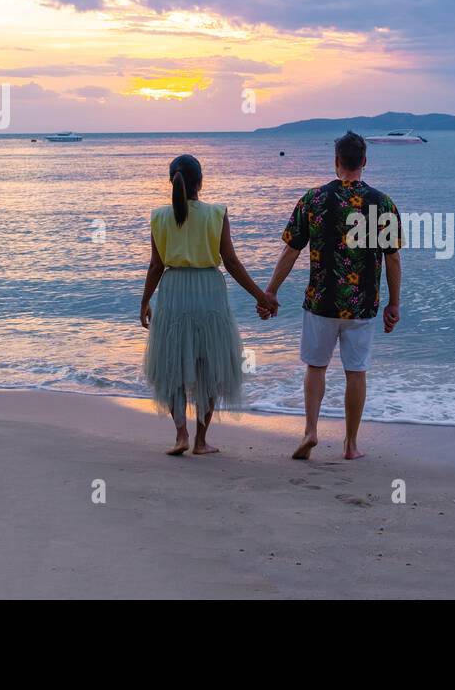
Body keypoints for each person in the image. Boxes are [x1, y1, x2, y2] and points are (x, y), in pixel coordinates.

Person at [262, 131, 401, 460]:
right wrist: (394, 303)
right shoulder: (382, 203)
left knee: (316, 367)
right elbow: (393, 257)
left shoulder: (314, 199)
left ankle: (311, 430)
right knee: (356, 371)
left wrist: (270, 291)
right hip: (363, 305)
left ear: (336, 161)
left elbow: (291, 251)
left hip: (321, 301)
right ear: (364, 162)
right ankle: (350, 445)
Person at [140, 154, 278, 456]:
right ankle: (201, 441)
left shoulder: (159, 216)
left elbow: (155, 266)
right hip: (209, 291)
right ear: (200, 182)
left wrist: (145, 301)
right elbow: (230, 261)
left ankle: (180, 435)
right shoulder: (216, 213)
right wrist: (260, 296)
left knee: (172, 363)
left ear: (171, 181)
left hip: (174, 289)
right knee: (210, 364)